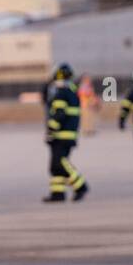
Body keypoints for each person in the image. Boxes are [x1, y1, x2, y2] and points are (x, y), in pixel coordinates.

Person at [44, 63, 87, 202]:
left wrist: (51, 130)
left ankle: (80, 185)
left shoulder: (61, 93)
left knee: (60, 163)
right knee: (55, 166)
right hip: (68, 134)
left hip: (61, 135)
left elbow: (58, 115)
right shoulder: (72, 92)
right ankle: (58, 193)